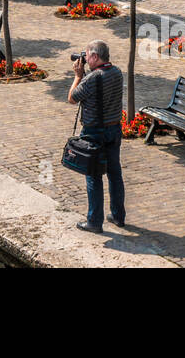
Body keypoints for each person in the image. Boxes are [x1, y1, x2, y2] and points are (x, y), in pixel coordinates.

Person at [69, 40, 125, 232]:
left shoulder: (92, 78)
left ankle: (94, 222)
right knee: (115, 174)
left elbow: (72, 98)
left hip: (94, 132)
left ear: (94, 57)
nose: (83, 59)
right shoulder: (117, 73)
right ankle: (118, 216)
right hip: (114, 129)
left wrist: (78, 76)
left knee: (93, 176)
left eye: (86, 56)